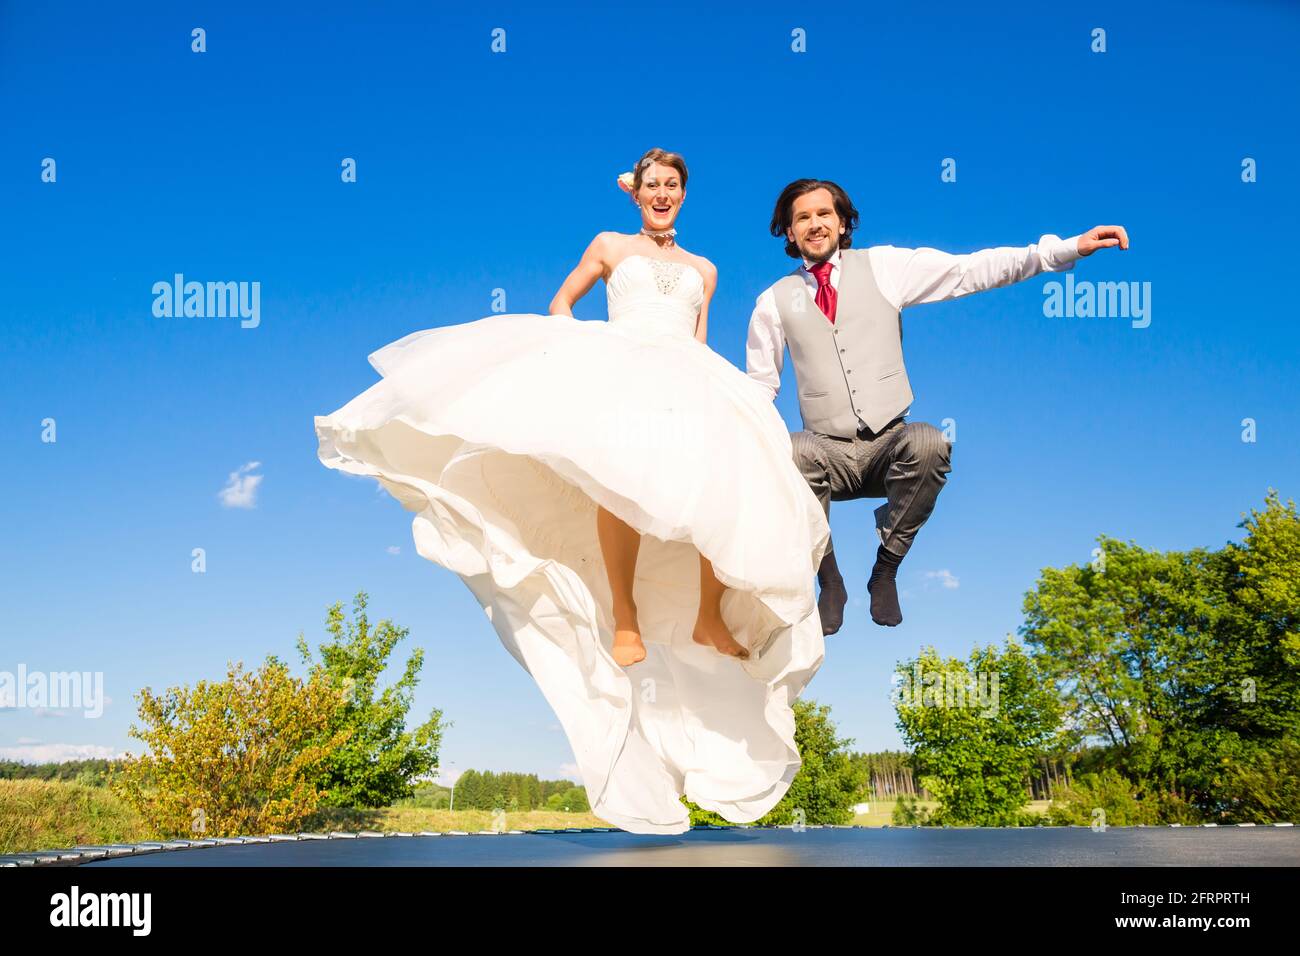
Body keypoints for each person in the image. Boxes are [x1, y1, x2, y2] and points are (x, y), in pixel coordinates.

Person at [314, 148, 830, 834]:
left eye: (673, 186)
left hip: (687, 375)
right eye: (653, 186)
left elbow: (701, 341)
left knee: (718, 485)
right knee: (619, 486)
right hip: (624, 363)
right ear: (636, 193)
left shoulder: (704, 269)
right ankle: (624, 615)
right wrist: (576, 360)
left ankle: (710, 613)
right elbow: (563, 302)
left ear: (683, 195)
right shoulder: (610, 245)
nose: (663, 194)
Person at [747, 178, 1129, 633]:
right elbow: (758, 391)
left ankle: (885, 569)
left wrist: (1062, 250)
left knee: (930, 441)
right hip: (826, 452)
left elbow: (970, 271)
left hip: (889, 444)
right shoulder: (773, 301)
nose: (815, 225)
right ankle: (829, 580)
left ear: (843, 221)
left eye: (824, 214)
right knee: (787, 450)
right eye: (802, 218)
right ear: (788, 232)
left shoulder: (885, 267)